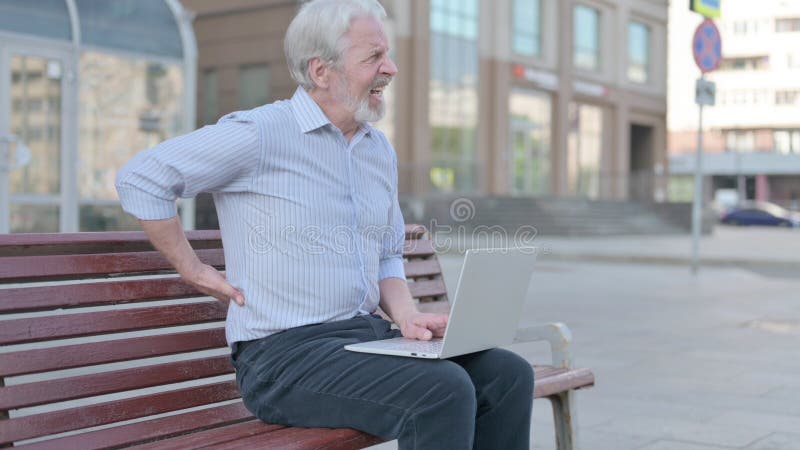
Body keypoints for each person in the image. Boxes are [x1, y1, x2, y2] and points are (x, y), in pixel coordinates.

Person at [115, 0, 534, 448]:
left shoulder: (377, 149)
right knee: (441, 390)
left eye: (387, 55)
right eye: (373, 57)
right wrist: (192, 269)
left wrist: (408, 315)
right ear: (321, 71)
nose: (390, 68)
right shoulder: (260, 134)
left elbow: (387, 251)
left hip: (363, 340)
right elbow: (141, 177)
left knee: (508, 375)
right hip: (282, 358)